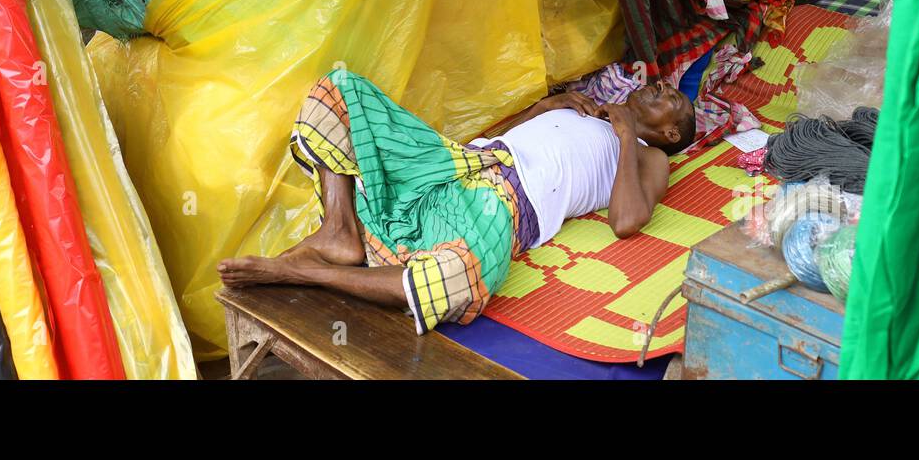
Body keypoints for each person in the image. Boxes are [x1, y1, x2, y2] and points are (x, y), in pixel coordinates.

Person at [218, 69, 696, 333]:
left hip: (501, 203)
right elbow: (492, 141)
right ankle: (340, 229)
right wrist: (543, 108)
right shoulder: (588, 107)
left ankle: (308, 271)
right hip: (461, 166)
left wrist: (626, 132)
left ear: (671, 132)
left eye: (670, 96)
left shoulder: (648, 155)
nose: (660, 84)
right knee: (339, 91)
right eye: (661, 83)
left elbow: (627, 221)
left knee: (455, 284)